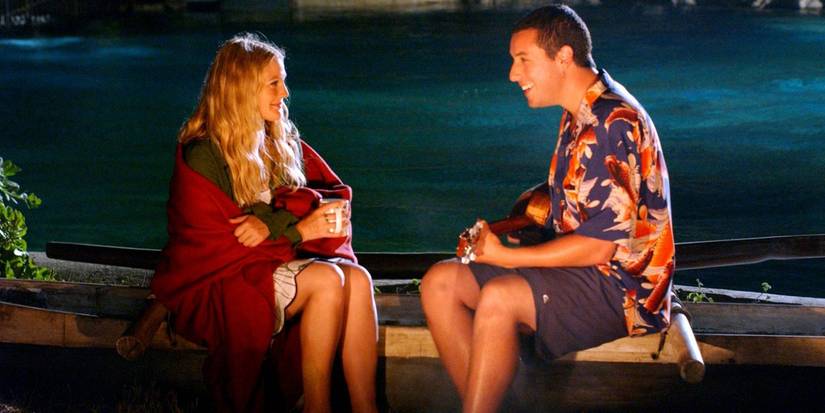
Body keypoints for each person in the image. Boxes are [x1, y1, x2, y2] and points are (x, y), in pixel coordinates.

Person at [420, 5, 675, 413]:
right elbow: (573, 206)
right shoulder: (579, 114)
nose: (512, 74)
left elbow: (601, 246)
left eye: (523, 59)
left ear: (563, 57)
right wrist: (508, 232)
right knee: (440, 283)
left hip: (623, 289)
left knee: (500, 297)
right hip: (580, 271)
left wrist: (507, 257)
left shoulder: (613, 122)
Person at [150, 33, 378, 413]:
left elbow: (317, 198)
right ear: (241, 89)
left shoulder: (276, 139)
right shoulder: (203, 154)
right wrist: (300, 228)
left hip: (270, 261)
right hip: (220, 279)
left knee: (359, 279)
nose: (284, 93)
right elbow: (224, 240)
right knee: (328, 279)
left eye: (282, 81)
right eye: (273, 83)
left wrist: (277, 222)